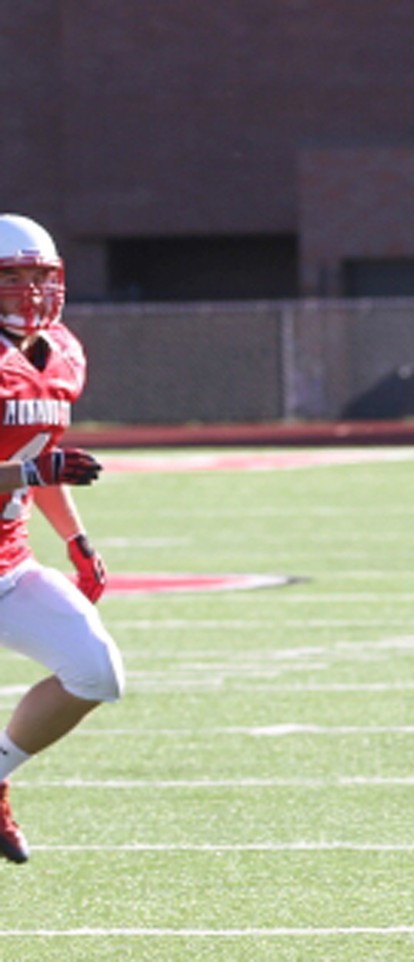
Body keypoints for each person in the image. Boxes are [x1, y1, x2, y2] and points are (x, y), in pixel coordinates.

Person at [0, 213, 125, 865]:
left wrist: (77, 540)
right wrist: (31, 472)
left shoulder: (64, 352)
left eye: (40, 276)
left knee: (96, 670)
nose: (30, 291)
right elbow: (35, 466)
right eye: (11, 277)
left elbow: (40, 461)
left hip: (8, 566)